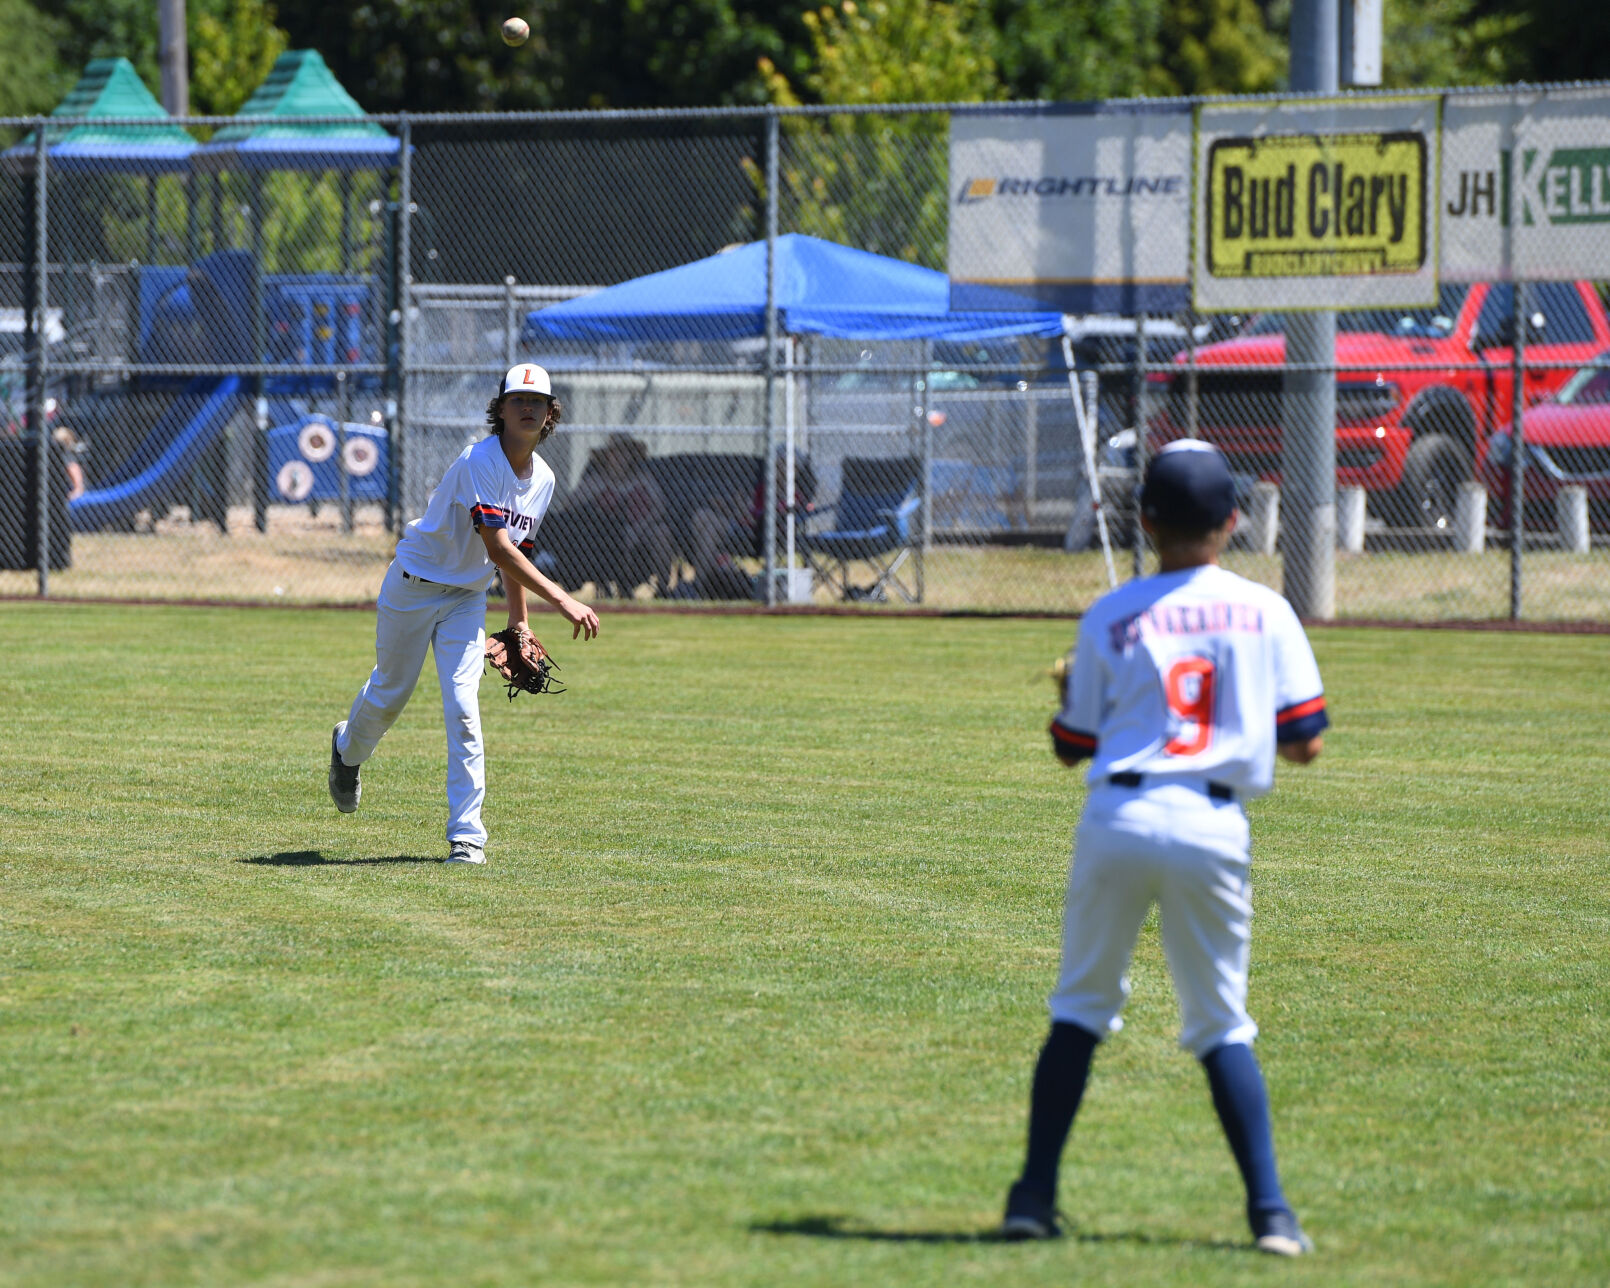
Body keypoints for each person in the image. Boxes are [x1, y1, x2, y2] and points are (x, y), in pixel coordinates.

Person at [1000, 440, 1328, 1256]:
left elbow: (1072, 746)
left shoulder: (1114, 612)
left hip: (1119, 818)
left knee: (1080, 1009)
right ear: (1233, 522)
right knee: (1220, 1020)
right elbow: (1305, 743)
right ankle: (1272, 1215)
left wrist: (1070, 700)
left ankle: (1033, 1199)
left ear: (1144, 519)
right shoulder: (1267, 610)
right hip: (1215, 824)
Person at [327, 363, 600, 865]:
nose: (526, 408)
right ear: (499, 410)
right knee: (390, 695)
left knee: (464, 708)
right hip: (413, 587)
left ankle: (467, 836)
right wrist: (562, 600)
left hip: (465, 600)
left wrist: (519, 621)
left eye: (536, 402)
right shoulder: (480, 459)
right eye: (517, 399)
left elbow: (520, 551)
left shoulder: (543, 479)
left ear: (549, 415)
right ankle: (346, 751)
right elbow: (498, 549)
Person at [560, 434, 675, 595]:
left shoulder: (643, 477)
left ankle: (663, 589)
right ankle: (618, 586)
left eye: (624, 453)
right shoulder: (597, 481)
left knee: (662, 533)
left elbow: (660, 507)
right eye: (615, 453)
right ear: (607, 456)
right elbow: (568, 505)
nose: (619, 458)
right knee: (610, 537)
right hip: (608, 534)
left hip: (643, 530)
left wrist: (638, 529)